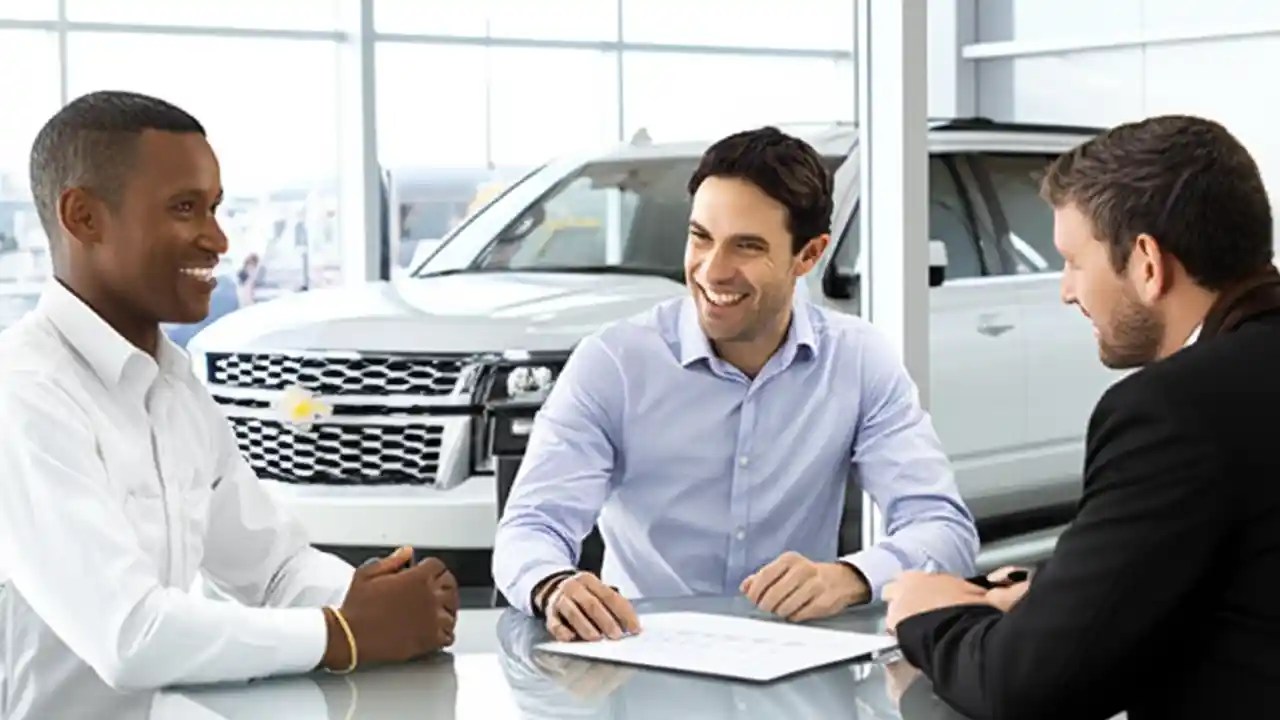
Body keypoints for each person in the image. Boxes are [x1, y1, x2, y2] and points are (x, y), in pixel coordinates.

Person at [0, 90, 459, 718]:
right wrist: (346, 632)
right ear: (84, 217)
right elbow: (128, 635)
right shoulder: (24, 391)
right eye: (185, 208)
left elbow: (271, 571)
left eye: (215, 208)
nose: (217, 239)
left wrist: (376, 597)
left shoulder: (174, 383)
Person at [493, 126, 978, 641]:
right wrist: (554, 584)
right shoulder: (612, 362)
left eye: (746, 247)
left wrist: (852, 577)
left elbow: (945, 530)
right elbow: (531, 527)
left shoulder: (859, 360)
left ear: (809, 256)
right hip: (642, 660)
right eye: (701, 237)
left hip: (794, 661)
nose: (712, 271)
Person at [882, 114, 1280, 719]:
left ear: (1147, 263)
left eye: (1071, 260)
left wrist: (928, 614)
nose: (1066, 290)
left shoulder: (1174, 411)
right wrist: (1053, 592)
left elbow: (1024, 688)